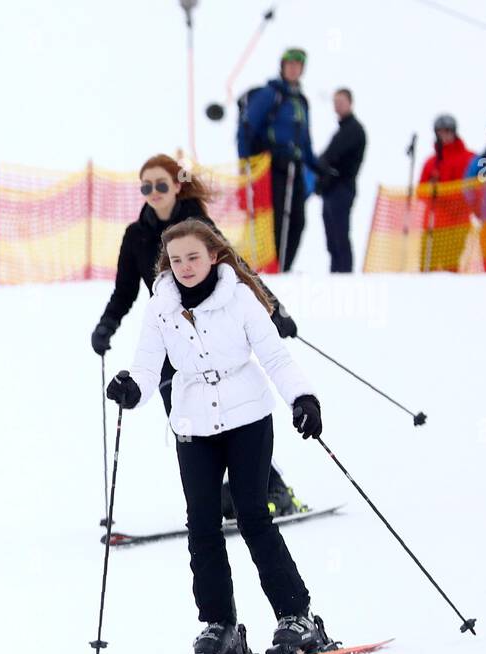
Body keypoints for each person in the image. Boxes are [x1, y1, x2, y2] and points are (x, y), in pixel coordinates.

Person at [105, 219, 327, 654]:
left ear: (214, 257)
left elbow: (275, 356)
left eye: (194, 257)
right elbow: (148, 366)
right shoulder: (161, 306)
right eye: (176, 259)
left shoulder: (239, 297)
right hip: (192, 421)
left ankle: (297, 616)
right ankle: (221, 626)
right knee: (202, 525)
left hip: (247, 416)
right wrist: (133, 389)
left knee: (252, 517)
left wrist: (302, 398)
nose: (185, 266)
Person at [90, 153, 306, 518]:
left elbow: (236, 268)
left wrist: (273, 308)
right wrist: (106, 325)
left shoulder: (196, 227)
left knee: (231, 422)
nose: (154, 192)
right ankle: (214, 501)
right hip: (170, 341)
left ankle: (271, 490)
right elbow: (124, 291)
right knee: (189, 429)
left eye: (161, 184)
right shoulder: (136, 236)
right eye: (147, 186)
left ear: (177, 185)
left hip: (213, 339)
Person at [238, 47, 319, 272]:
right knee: (275, 219)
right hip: (271, 166)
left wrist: (316, 165)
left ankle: (284, 268)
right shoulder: (269, 94)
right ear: (282, 67)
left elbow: (305, 139)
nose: (293, 69)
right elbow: (247, 127)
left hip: (296, 166)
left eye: (298, 65)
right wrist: (245, 163)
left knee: (297, 220)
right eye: (290, 64)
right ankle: (272, 269)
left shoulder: (301, 101)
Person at [316, 88, 366, 273]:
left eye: (341, 101)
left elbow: (331, 156)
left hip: (342, 188)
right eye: (335, 102)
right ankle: (337, 271)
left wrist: (321, 167)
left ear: (350, 103)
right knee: (332, 236)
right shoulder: (343, 129)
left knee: (339, 235)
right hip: (332, 189)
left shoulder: (353, 129)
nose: (337, 105)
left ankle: (344, 272)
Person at [418, 114, 475, 272]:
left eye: (447, 131)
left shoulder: (469, 158)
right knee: (428, 266)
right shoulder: (431, 163)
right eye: (440, 132)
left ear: (454, 132)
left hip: (459, 221)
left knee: (452, 266)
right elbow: (420, 192)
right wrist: (431, 189)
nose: (444, 135)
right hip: (434, 223)